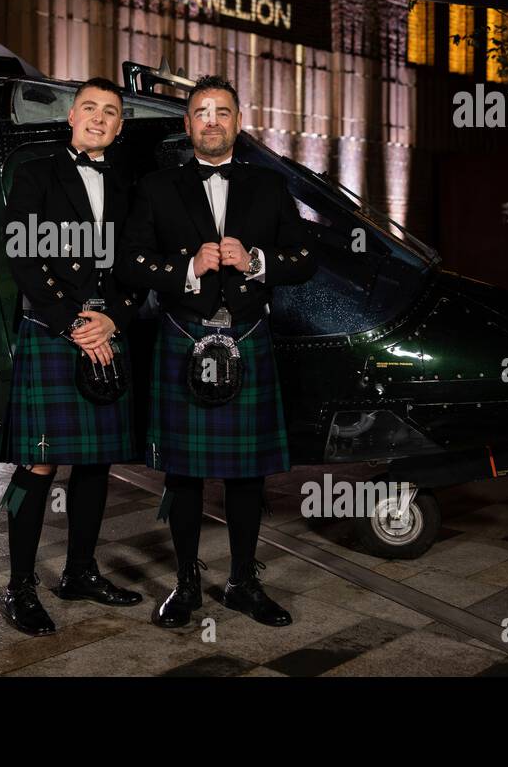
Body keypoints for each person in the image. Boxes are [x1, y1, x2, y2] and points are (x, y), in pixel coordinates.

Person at [116, 74, 317, 628]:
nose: (212, 120)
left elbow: (305, 259)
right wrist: (187, 267)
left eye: (222, 111)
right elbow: (129, 261)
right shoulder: (157, 187)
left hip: (247, 337)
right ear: (187, 124)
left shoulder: (269, 187)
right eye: (201, 111)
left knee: (246, 475)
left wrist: (256, 261)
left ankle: (243, 582)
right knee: (182, 473)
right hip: (184, 338)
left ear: (237, 122)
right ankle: (185, 585)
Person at [0, 76, 144, 636]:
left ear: (120, 125)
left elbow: (138, 261)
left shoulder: (130, 183)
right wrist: (73, 321)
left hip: (109, 328)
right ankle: (19, 587)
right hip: (52, 329)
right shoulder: (37, 172)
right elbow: (23, 255)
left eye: (111, 111)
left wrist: (118, 316)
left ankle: (80, 573)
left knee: (96, 460)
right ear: (71, 116)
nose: (99, 117)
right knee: (37, 463)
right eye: (89, 108)